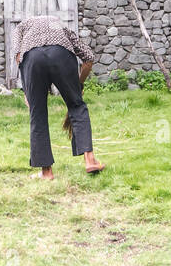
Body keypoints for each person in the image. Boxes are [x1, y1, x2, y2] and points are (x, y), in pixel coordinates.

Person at [10, 14, 105, 179]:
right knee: (77, 105)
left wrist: (27, 90)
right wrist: (78, 85)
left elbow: (19, 57)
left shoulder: (21, 28)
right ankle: (90, 161)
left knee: (37, 114)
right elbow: (88, 59)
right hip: (61, 55)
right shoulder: (61, 27)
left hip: (32, 59)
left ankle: (46, 172)